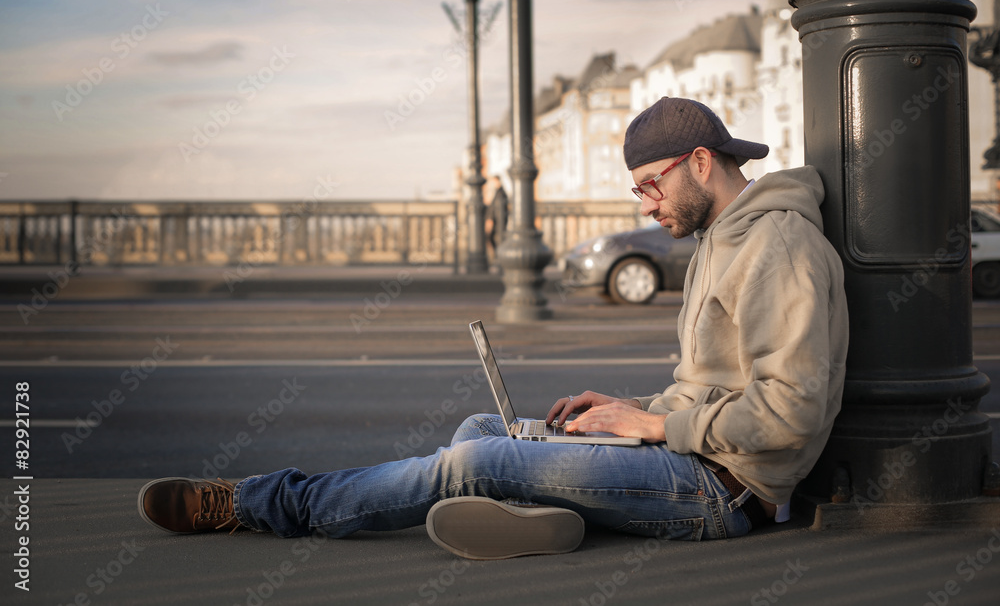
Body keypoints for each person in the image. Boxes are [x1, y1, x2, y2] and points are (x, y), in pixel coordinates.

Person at [138, 97, 848, 559]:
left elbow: (792, 408)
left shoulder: (775, 243)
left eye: (651, 184)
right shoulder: (719, 237)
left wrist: (656, 428)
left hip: (724, 491)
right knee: (487, 429)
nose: (645, 204)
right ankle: (544, 513)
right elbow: (709, 387)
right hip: (691, 455)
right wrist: (631, 411)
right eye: (638, 189)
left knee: (469, 462)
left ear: (702, 162)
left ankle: (260, 502)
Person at [485, 175, 508, 259]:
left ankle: (499, 257)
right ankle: (498, 256)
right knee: (492, 238)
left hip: (498, 221)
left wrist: (490, 219)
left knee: (497, 238)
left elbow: (494, 208)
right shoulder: (498, 192)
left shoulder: (500, 193)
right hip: (497, 220)